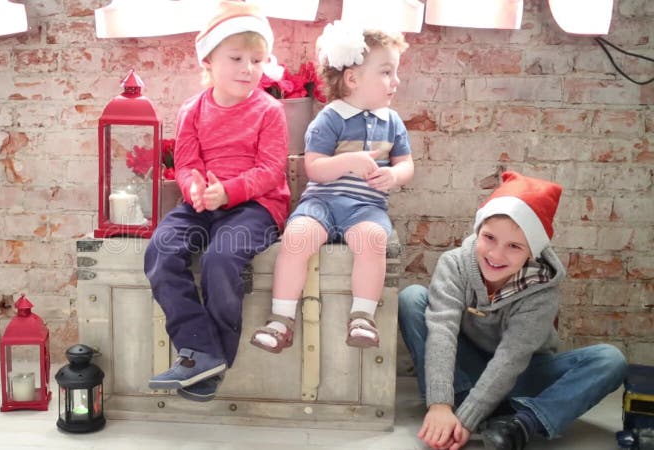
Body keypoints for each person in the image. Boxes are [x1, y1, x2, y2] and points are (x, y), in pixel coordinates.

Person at [398, 171, 627, 450]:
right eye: (489, 237)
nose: (496, 254)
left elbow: (511, 358)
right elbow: (442, 332)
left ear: (532, 252)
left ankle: (523, 422)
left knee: (610, 359)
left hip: (523, 371)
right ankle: (455, 401)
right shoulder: (455, 265)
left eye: (514, 246)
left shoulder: (542, 290)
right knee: (413, 298)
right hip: (467, 367)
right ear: (477, 230)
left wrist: (468, 420)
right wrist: (439, 405)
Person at [144, 0, 290, 402]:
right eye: (237, 58)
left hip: (256, 207)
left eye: (257, 59)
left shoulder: (270, 111)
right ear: (208, 59)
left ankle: (213, 360)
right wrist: (193, 188)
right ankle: (198, 348)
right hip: (202, 204)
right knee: (161, 249)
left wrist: (229, 191)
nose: (249, 68)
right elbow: (187, 164)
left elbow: (271, 170)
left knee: (221, 258)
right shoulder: (192, 110)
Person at [250, 21, 414, 353]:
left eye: (395, 72)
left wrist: (395, 177)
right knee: (296, 238)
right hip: (322, 204)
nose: (395, 81)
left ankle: (362, 316)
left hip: (366, 208)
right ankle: (282, 319)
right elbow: (314, 167)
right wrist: (348, 162)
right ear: (352, 79)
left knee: (373, 240)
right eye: (386, 72)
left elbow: (406, 163)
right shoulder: (330, 118)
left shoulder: (391, 121)